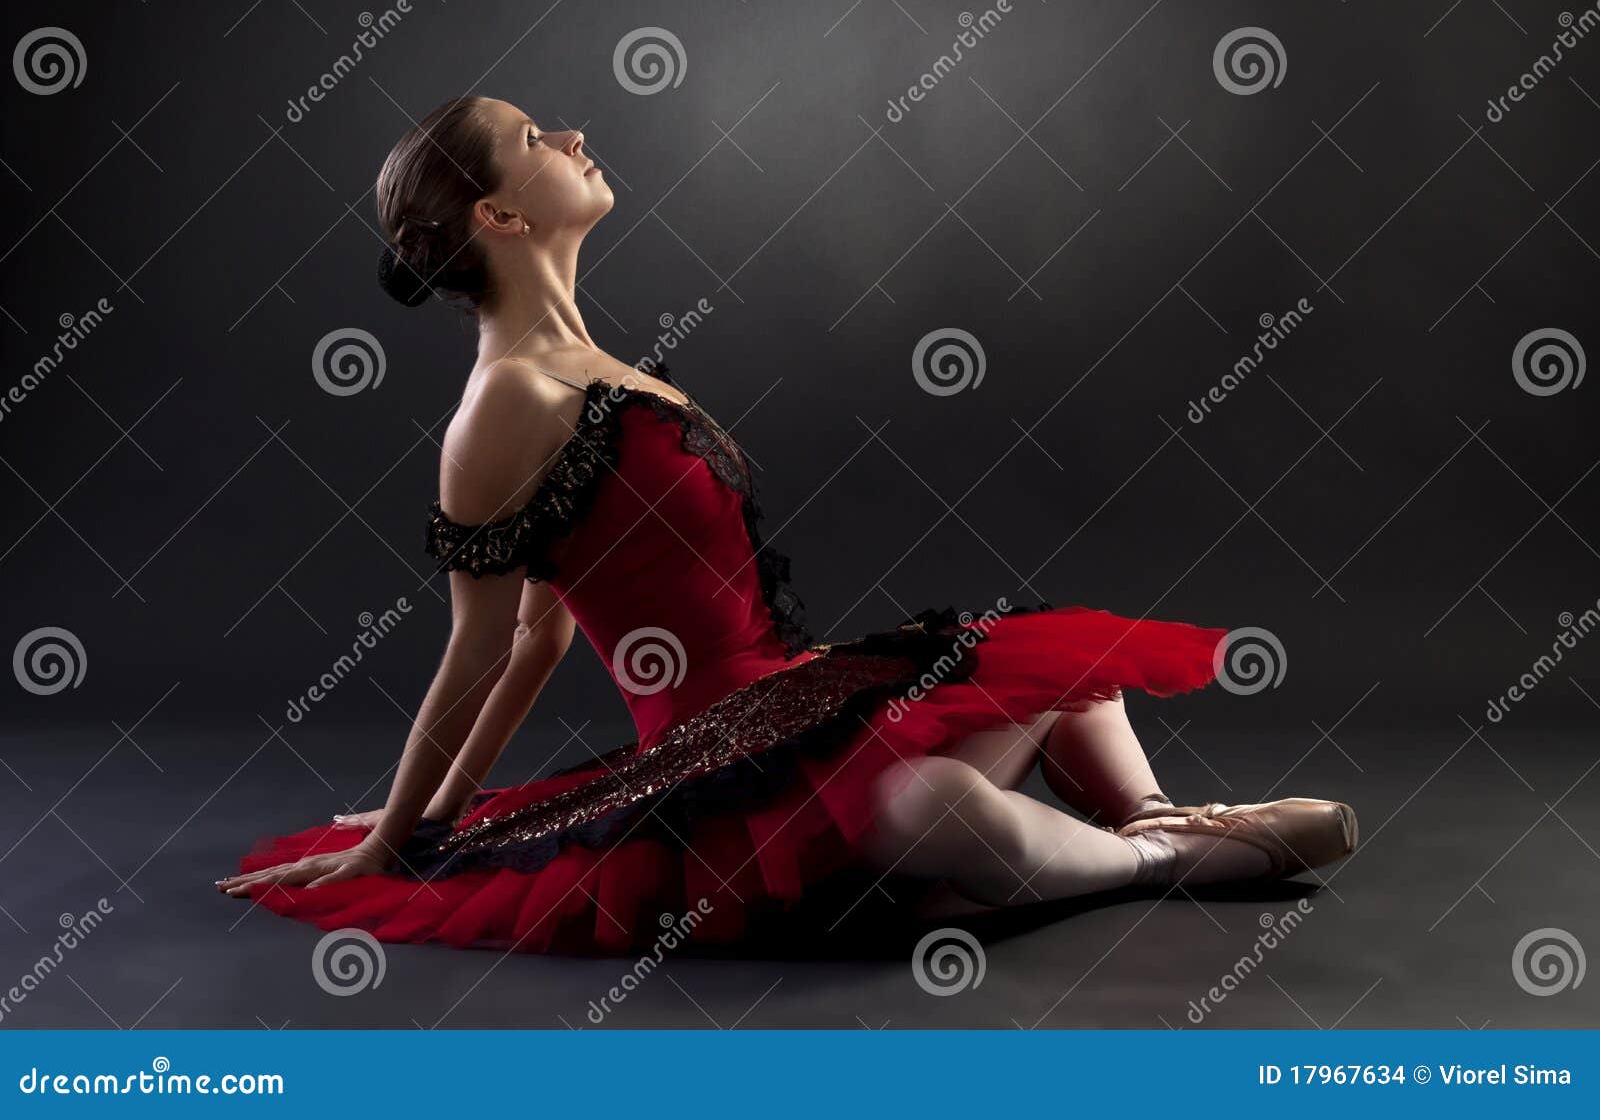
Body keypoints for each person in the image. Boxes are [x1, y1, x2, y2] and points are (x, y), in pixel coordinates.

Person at [218, 95, 1355, 954]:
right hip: (720, 764)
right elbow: (495, 643)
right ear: (500, 213)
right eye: (531, 138)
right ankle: (1164, 855)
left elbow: (543, 634)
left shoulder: (596, 365)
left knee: (1055, 654)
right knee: (937, 807)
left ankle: (1156, 811)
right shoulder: (504, 401)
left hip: (795, 691)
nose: (568, 133)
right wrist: (410, 831)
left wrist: (443, 809)